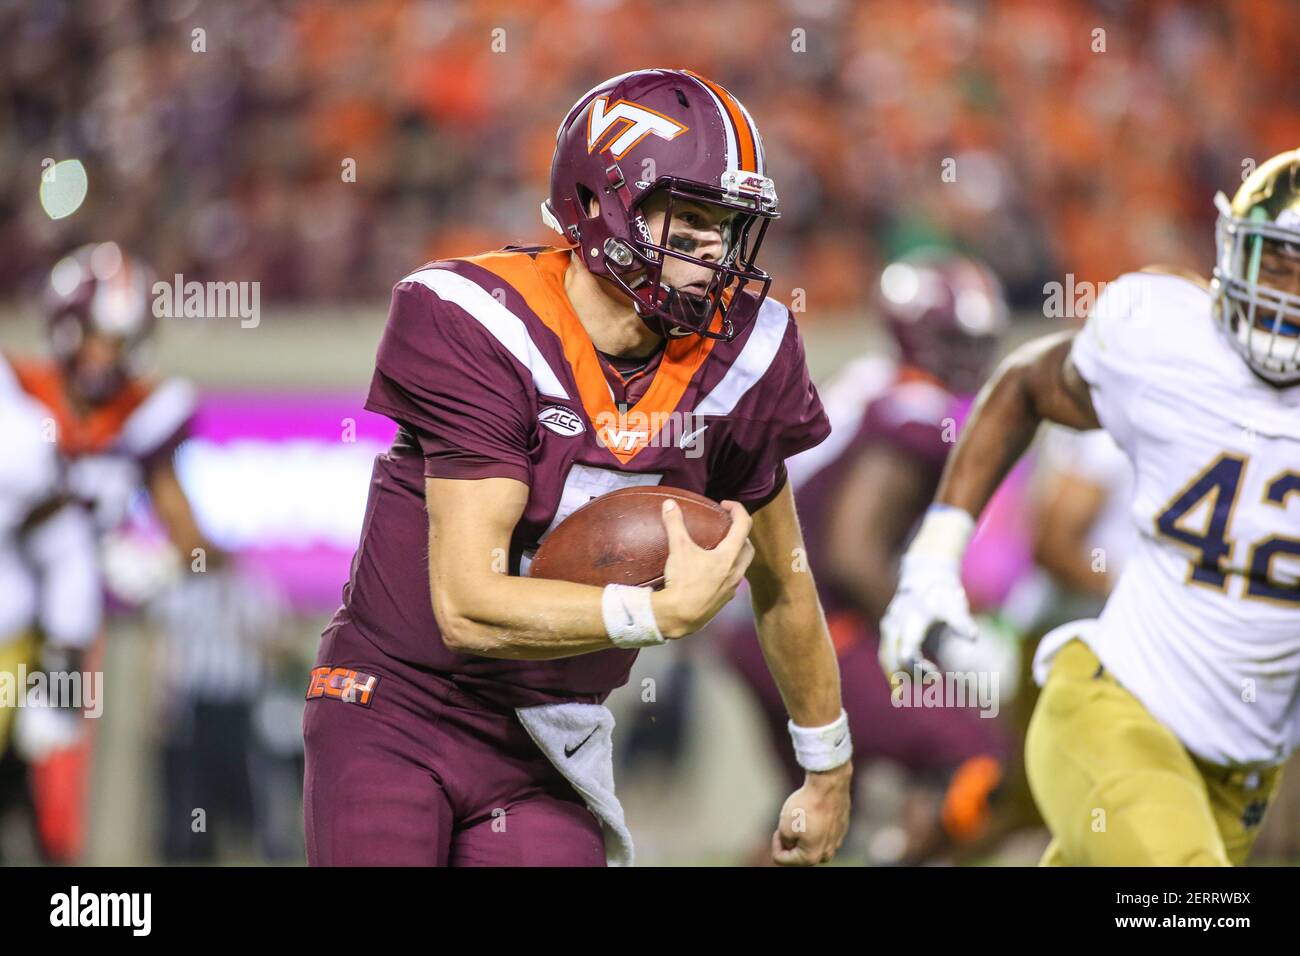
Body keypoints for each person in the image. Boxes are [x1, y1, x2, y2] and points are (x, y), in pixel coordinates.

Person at [304, 68, 852, 867]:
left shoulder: (747, 355)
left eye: (727, 228)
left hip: (547, 734)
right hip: (397, 707)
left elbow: (783, 577)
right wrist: (653, 617)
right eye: (689, 221)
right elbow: (466, 605)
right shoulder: (477, 321)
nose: (712, 255)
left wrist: (828, 764)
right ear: (601, 204)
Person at [880, 149, 1300, 866]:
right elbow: (1025, 385)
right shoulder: (1169, 338)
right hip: (1117, 708)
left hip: (1241, 773)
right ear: (1235, 250)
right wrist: (932, 561)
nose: (1286, 292)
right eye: (1277, 261)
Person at [721, 251, 1012, 864]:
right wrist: (936, 640)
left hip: (755, 619)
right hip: (811, 625)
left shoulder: (870, 382)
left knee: (817, 812)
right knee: (978, 758)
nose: (970, 355)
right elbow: (853, 553)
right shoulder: (915, 413)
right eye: (957, 338)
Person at [2, 241, 206, 861]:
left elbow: (185, 531)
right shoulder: (17, 394)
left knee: (61, 807)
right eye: (95, 336)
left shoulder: (142, 414)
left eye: (118, 341)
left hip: (71, 631)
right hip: (9, 599)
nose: (104, 356)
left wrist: (167, 564)